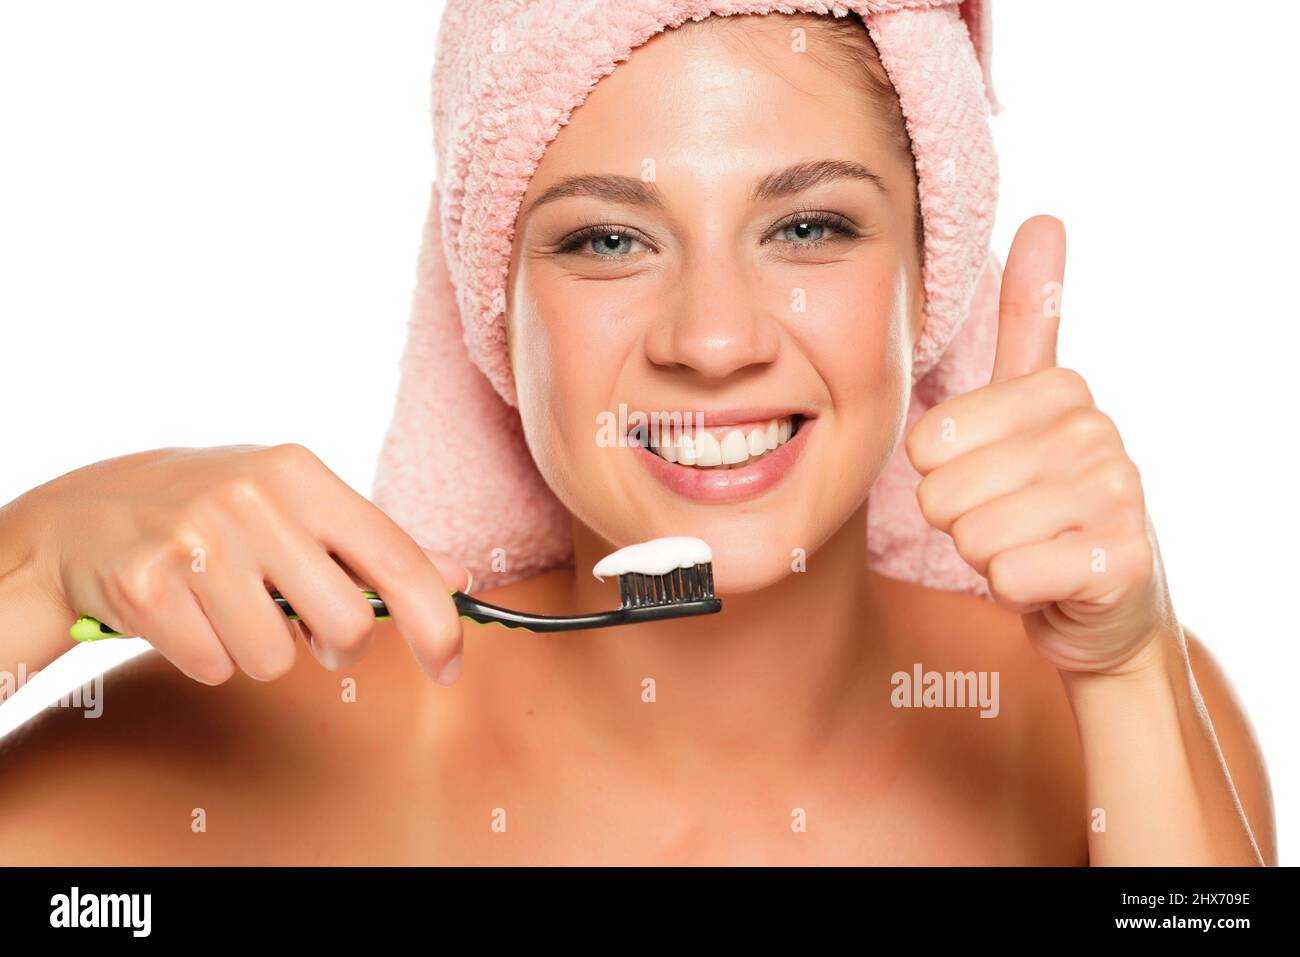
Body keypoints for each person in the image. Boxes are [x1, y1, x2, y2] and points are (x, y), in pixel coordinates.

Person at [0, 6, 1274, 865]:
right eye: (606, 240)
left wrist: (1124, 678)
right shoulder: (240, 754)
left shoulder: (1094, 711)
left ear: (927, 285)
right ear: (489, 311)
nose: (712, 341)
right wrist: (20, 575)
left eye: (810, 227)